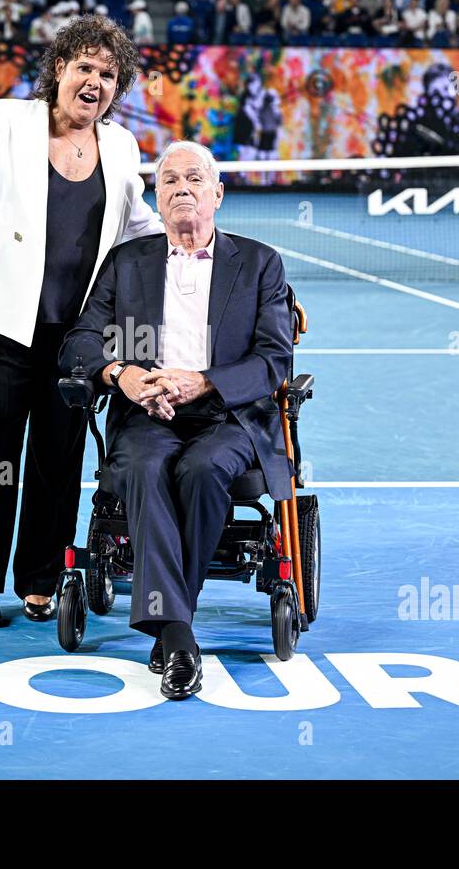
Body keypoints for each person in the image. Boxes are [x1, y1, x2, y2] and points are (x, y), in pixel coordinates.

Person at [0, 15, 163, 629]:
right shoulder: (3, 121)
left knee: (59, 464)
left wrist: (196, 245)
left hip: (76, 339)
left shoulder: (120, 146)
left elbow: (136, 225)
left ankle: (41, 578)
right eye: (84, 67)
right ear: (59, 67)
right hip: (5, 327)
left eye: (108, 74)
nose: (94, 81)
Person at [58, 141, 293, 700]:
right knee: (142, 466)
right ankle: (179, 633)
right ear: (157, 198)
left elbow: (274, 360)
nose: (181, 188)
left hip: (229, 417)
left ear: (218, 194)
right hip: (148, 412)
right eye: (168, 181)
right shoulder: (128, 261)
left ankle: (170, 626)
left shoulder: (260, 264)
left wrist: (206, 381)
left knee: (202, 469)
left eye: (194, 178)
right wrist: (121, 375)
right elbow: (80, 341)